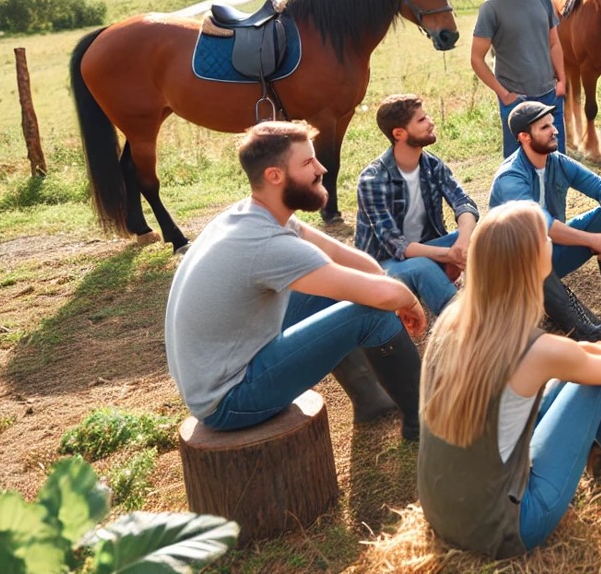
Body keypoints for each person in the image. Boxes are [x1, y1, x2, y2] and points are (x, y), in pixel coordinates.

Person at [418, 202, 601, 559]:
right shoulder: (536, 348)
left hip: (442, 512)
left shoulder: (451, 321)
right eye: (545, 238)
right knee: (594, 384)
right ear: (532, 260)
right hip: (508, 527)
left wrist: (571, 357)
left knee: (566, 379)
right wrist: (580, 350)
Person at [164, 121, 425, 440]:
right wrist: (406, 300)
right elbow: (380, 298)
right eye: (307, 163)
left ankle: (370, 399)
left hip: (221, 374)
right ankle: (423, 423)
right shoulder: (267, 244)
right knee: (371, 311)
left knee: (357, 293)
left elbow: (342, 254)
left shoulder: (253, 214)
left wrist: (384, 281)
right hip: (229, 403)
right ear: (275, 175)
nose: (321, 169)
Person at [489, 99, 601, 341]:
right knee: (531, 246)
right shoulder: (510, 178)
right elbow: (543, 225)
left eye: (552, 124)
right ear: (524, 137)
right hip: (513, 271)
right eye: (545, 128)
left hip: (549, 255)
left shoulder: (557, 161)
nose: (555, 131)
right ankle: (575, 327)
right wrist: (593, 240)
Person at [354, 94, 478, 319]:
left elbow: (464, 203)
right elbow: (397, 246)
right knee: (422, 266)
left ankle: (504, 307)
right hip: (383, 265)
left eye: (427, 116)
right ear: (399, 134)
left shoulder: (431, 164)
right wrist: (450, 255)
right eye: (421, 120)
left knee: (483, 235)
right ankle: (466, 328)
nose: (430, 122)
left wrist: (462, 243)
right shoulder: (372, 179)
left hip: (428, 248)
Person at [472, 0, 567, 158]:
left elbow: (554, 43)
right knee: (521, 167)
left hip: (550, 96)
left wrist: (561, 80)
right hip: (518, 102)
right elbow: (476, 59)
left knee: (557, 162)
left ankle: (555, 195)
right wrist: (504, 94)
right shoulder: (492, 7)